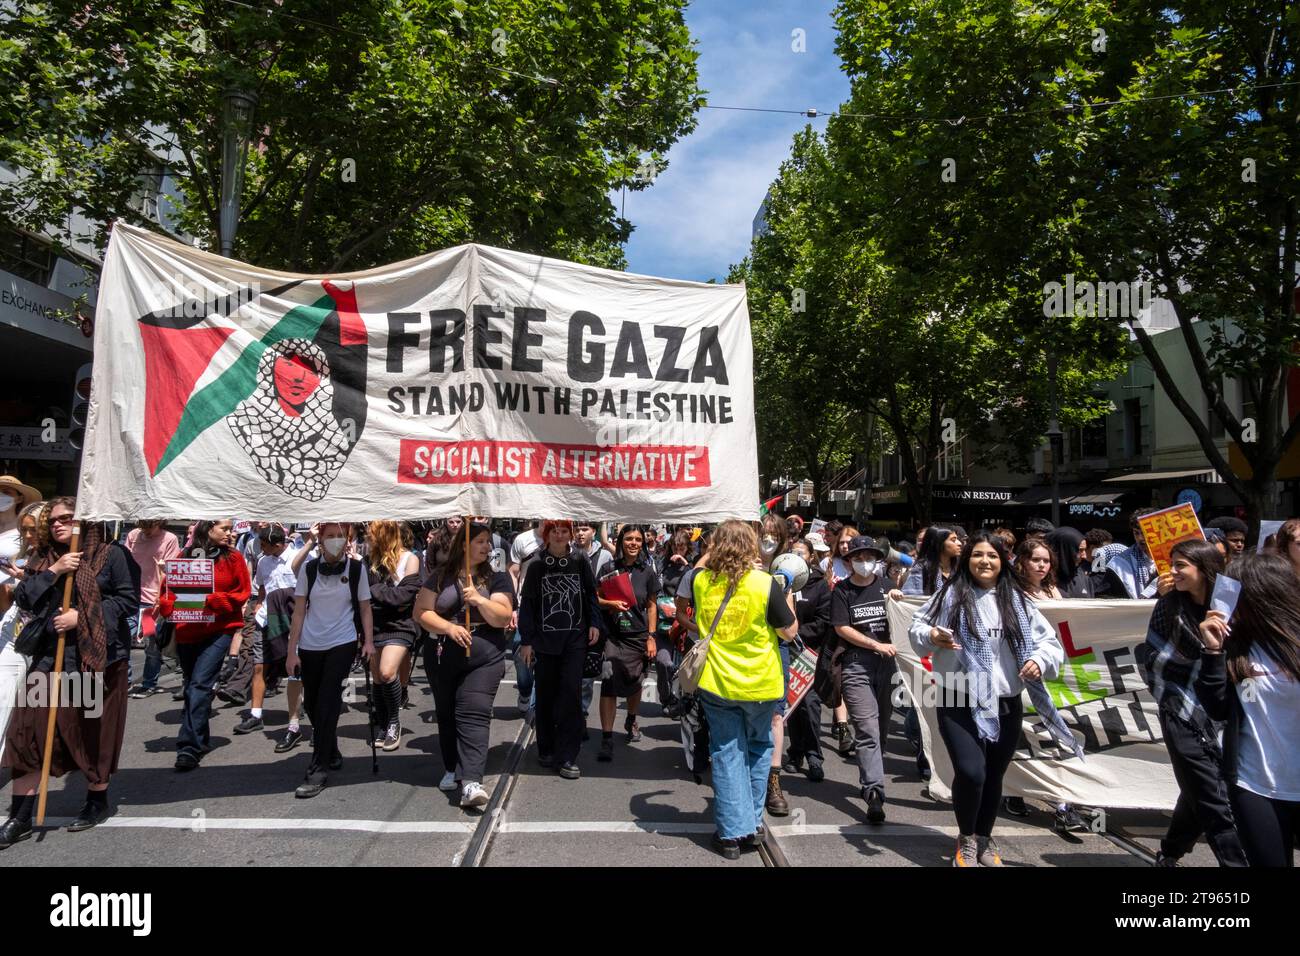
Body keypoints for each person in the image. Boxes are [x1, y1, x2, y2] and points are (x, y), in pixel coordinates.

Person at [907, 531, 1070, 867]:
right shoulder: (948, 595)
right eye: (978, 554)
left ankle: (984, 837)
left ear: (1002, 562)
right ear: (967, 560)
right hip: (958, 699)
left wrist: (1039, 661)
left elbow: (1050, 644)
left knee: (994, 774)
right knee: (972, 772)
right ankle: (966, 838)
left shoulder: (1019, 601)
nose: (985, 561)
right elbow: (917, 627)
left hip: (1006, 702)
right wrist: (932, 635)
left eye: (992, 556)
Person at [1, 500, 139, 846]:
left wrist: (84, 616)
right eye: (54, 519)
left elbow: (126, 600)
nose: (60, 524)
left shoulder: (110, 554)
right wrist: (55, 571)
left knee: (88, 731)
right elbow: (25, 599)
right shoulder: (44, 557)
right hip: (48, 659)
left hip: (91, 660)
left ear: (84, 522)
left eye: (68, 518)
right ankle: (20, 816)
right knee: (28, 733)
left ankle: (96, 800)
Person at [691, 520, 798, 859]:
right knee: (758, 749)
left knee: (726, 754)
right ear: (751, 546)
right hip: (762, 684)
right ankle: (750, 825)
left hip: (719, 683)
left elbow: (698, 568)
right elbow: (789, 632)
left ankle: (730, 832)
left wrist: (711, 553)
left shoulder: (702, 582)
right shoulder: (764, 584)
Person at [1140, 539, 1248, 866]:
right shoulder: (1168, 606)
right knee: (1214, 797)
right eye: (1172, 564)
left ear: (1205, 568)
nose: (1173, 572)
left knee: (1197, 791)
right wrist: (1203, 658)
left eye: (1181, 565)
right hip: (1179, 708)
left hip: (1224, 710)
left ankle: (1169, 853)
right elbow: (1155, 659)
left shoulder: (1232, 607)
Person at [1196, 553, 1300, 867]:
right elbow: (1218, 708)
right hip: (1253, 783)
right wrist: (1212, 652)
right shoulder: (1236, 645)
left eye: (1235, 592)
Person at [413, 521, 514, 809]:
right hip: (443, 653)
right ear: (464, 545)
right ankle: (451, 766)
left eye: (488, 542)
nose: (486, 547)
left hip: (485, 655)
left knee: (474, 712)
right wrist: (448, 627)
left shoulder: (498, 577)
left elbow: (502, 616)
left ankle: (471, 781)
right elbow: (421, 612)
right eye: (480, 541)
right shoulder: (440, 576)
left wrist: (479, 600)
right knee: (446, 712)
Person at [284, 522, 374, 798]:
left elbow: (365, 608)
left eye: (340, 536)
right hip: (311, 644)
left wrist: (368, 641)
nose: (336, 541)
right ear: (320, 540)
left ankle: (317, 767)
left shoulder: (357, 569)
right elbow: (298, 612)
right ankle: (330, 746)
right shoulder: (309, 570)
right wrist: (292, 650)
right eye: (330, 536)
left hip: (342, 642)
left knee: (328, 701)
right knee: (311, 702)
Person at [156, 519, 250, 771]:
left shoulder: (234, 558)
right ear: (209, 529)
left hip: (219, 631)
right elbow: (168, 592)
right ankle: (201, 736)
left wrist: (215, 600)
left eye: (231, 529)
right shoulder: (184, 556)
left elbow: (243, 592)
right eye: (225, 529)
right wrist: (167, 605)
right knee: (192, 687)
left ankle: (188, 747)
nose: (230, 533)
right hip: (187, 630)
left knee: (199, 684)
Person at [517, 520, 601, 779]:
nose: (559, 535)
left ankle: (568, 756)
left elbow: (590, 594)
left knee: (571, 696)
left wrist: (594, 622)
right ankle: (546, 748)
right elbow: (528, 604)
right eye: (555, 531)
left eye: (564, 531)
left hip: (574, 640)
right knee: (545, 695)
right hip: (544, 641)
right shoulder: (536, 564)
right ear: (547, 534)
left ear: (570, 535)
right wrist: (527, 640)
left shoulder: (579, 560)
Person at [830, 535, 898, 823]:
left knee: (881, 730)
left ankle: (872, 775)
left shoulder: (888, 587)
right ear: (848, 562)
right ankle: (874, 793)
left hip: (888, 667)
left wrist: (899, 601)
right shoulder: (842, 591)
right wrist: (874, 645)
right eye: (858, 558)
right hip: (857, 666)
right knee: (867, 728)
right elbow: (841, 627)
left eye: (869, 557)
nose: (864, 563)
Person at [594, 524, 661, 762]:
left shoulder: (647, 571)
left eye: (638, 540)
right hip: (614, 635)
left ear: (643, 543)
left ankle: (631, 719)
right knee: (609, 680)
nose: (634, 543)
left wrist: (652, 637)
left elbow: (652, 605)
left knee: (635, 682)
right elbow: (595, 597)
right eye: (629, 539)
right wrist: (609, 604)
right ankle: (606, 738)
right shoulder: (608, 568)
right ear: (621, 541)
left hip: (639, 635)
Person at [232, 524, 303, 737]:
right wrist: (259, 606)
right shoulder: (263, 562)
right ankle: (255, 714)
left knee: (295, 669)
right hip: (265, 619)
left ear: (279, 544)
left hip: (291, 620)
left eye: (264, 545)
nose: (260, 549)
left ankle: (298, 713)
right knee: (258, 666)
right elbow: (262, 587)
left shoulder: (298, 558)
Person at [363, 520, 421, 751]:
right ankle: (384, 722)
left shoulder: (411, 559)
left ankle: (394, 721)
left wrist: (376, 592)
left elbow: (403, 598)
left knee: (388, 672)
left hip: (401, 625)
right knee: (377, 678)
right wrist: (386, 597)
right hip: (374, 626)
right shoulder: (369, 561)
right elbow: (367, 599)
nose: (368, 538)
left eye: (372, 534)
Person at [0, 500, 45, 767]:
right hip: (13, 637)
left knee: (47, 710)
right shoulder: (19, 556)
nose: (27, 536)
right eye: (23, 530)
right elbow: (8, 602)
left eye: (32, 529)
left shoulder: (67, 558)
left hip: (49, 644)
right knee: (2, 701)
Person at [785, 537, 830, 783]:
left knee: (810, 705)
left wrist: (796, 633)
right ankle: (795, 753)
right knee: (791, 706)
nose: (797, 557)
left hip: (810, 654)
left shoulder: (819, 585)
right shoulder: (782, 581)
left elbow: (824, 621)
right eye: (793, 553)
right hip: (786, 651)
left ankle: (814, 755)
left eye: (802, 553)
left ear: (811, 557)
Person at [124, 520, 181, 698]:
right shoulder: (133, 535)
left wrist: (161, 597)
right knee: (122, 640)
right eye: (143, 526)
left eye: (150, 526)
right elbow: (124, 562)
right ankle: (124, 682)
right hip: (130, 597)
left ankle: (149, 683)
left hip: (152, 601)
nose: (146, 530)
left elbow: (171, 570)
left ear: (160, 523)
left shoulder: (169, 539)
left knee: (152, 645)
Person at [1097, 508, 1160, 598]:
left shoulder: (1173, 559)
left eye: (1145, 532)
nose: (1140, 538)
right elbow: (1104, 596)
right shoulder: (1120, 564)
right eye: (1136, 533)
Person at [901, 524, 960, 596]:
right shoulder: (921, 567)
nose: (959, 543)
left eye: (957, 539)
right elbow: (912, 598)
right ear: (939, 543)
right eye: (953, 540)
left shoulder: (960, 567)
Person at [1045, 526, 1096, 597]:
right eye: (1080, 550)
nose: (1084, 556)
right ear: (1063, 550)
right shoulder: (1042, 579)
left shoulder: (1083, 578)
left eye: (1084, 550)